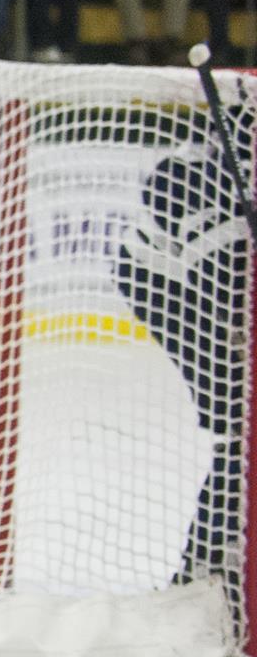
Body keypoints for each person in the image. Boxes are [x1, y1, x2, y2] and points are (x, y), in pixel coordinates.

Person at [115, 145, 248, 584]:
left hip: (209, 270)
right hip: (166, 285)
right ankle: (207, 571)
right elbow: (226, 282)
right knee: (240, 428)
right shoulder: (200, 183)